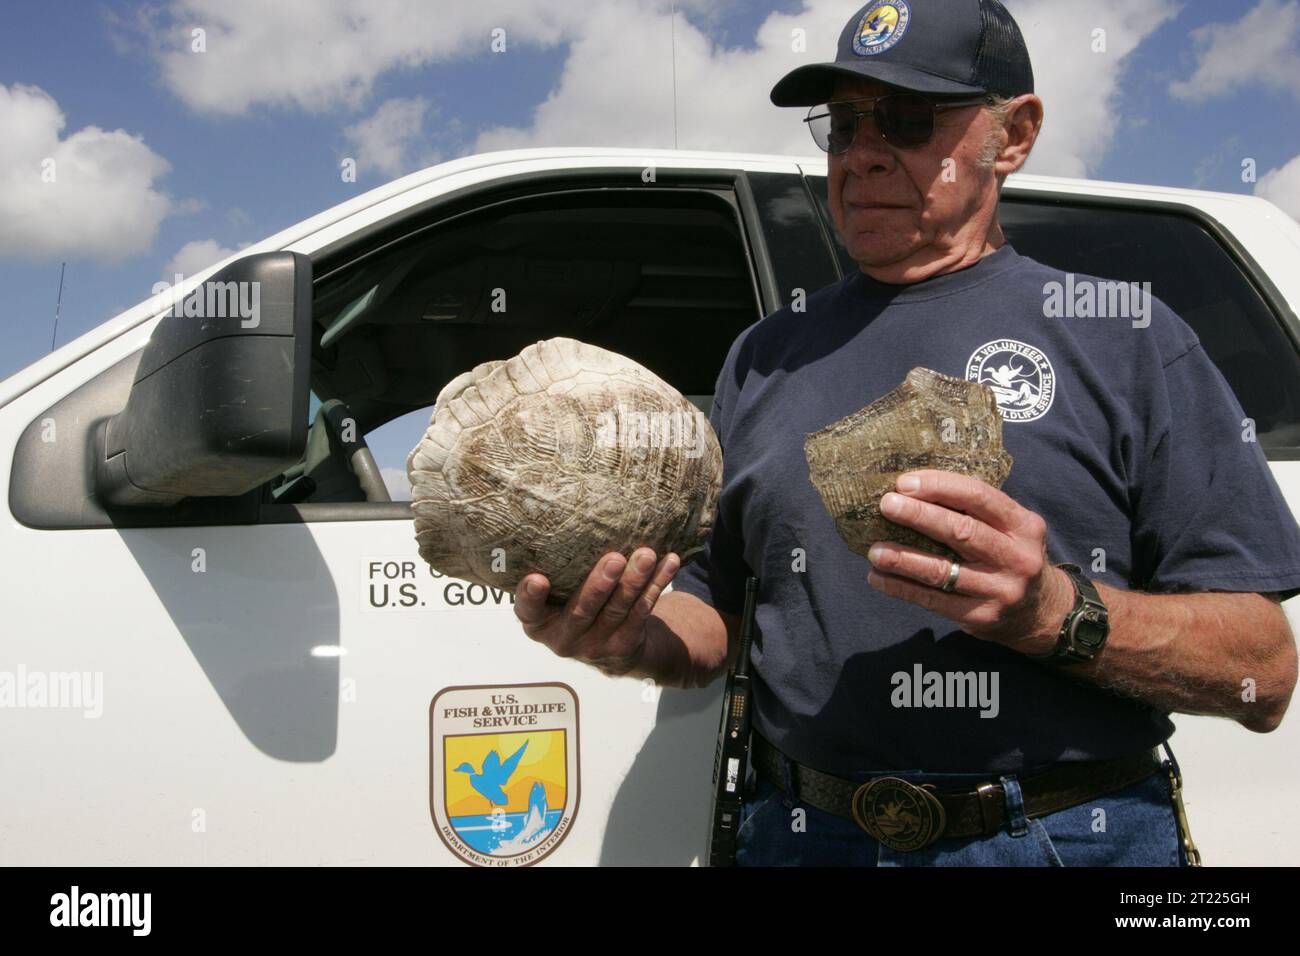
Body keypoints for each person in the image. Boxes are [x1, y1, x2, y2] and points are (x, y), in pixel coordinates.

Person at [513, 0, 1300, 866]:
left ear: (1015, 134)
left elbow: (1262, 669)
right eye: (844, 124)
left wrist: (1054, 612)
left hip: (1063, 837)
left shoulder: (1128, 335)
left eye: (907, 119)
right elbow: (716, 613)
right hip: (807, 835)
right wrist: (632, 639)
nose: (862, 153)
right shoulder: (763, 357)